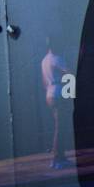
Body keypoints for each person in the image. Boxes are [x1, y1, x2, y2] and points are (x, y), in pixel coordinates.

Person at [41, 38, 73, 169]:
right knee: (60, 128)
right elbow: (70, 73)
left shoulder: (44, 60)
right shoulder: (57, 58)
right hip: (59, 93)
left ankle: (60, 157)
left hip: (50, 93)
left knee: (58, 126)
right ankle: (57, 159)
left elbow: (43, 81)